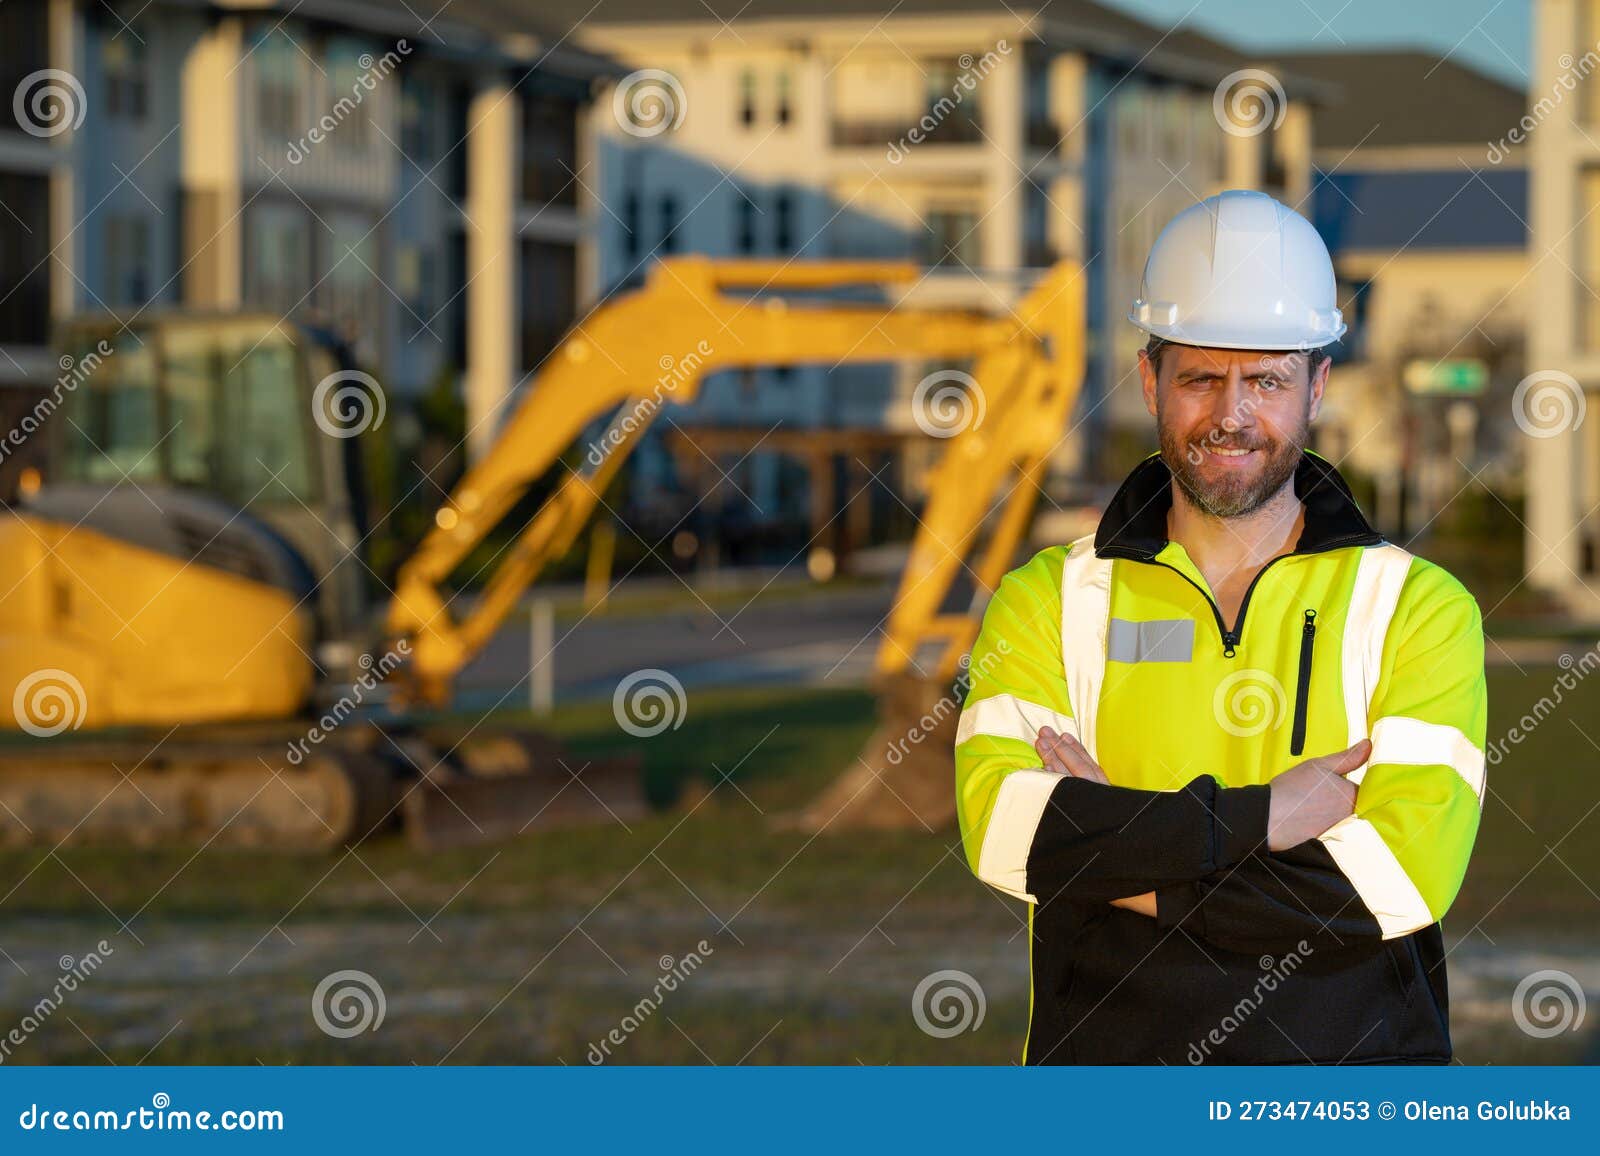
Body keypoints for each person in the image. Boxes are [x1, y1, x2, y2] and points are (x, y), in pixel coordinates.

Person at [954, 189, 1486, 1065]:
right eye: (1201, 376)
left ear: (1316, 385)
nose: (1231, 415)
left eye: (1267, 380)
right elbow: (1010, 834)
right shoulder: (1047, 598)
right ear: (1149, 379)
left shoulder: (1417, 608)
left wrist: (1119, 865)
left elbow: (1390, 882)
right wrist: (1267, 815)